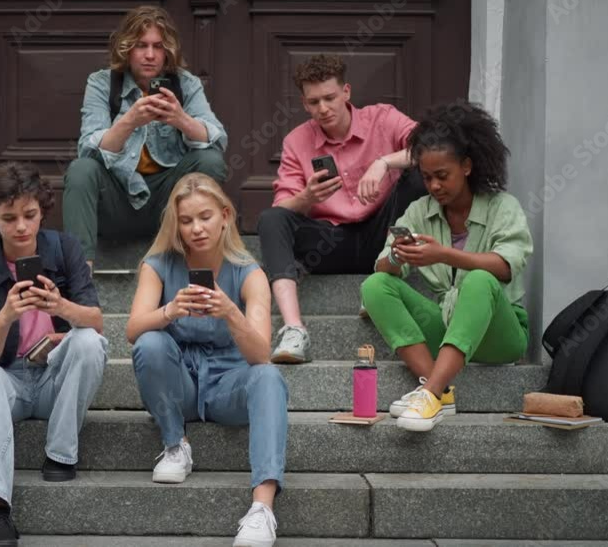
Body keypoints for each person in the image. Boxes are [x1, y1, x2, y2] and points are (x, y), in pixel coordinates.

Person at [127, 173, 288, 547]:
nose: (196, 228)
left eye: (205, 217)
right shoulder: (158, 264)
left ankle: (262, 508)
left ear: (225, 216)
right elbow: (133, 329)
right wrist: (170, 310)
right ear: (176, 225)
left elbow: (261, 355)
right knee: (150, 342)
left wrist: (231, 312)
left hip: (229, 385)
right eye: (186, 221)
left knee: (268, 378)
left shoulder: (249, 273)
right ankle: (175, 444)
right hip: (178, 382)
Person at [0, 162, 108, 546]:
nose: (22, 227)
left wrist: (61, 308)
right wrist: (6, 315)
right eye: (9, 218)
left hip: (55, 377)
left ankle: (60, 454)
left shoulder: (66, 248)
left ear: (42, 211)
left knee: (88, 342)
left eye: (30, 215)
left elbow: (96, 321)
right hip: (10, 380)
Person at [361, 101, 533, 432]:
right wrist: (398, 255)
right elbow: (384, 269)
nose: (434, 186)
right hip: (447, 327)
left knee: (481, 279)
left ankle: (429, 391)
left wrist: (444, 255)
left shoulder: (502, 207)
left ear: (467, 166)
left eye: (442, 176)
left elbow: (505, 266)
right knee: (374, 286)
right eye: (426, 178)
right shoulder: (418, 211)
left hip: (500, 335)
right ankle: (440, 392)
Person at [257, 54, 426, 364]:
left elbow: (431, 147)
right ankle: (294, 329)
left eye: (330, 98)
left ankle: (383, 279)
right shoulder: (297, 141)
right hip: (330, 242)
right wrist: (307, 197)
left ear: (346, 92)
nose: (323, 108)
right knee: (271, 220)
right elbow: (282, 206)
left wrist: (383, 162)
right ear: (304, 104)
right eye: (314, 102)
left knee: (418, 176)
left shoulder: (382, 118)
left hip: (384, 235)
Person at [65, 5, 228, 269]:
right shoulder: (101, 83)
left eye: (158, 46)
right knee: (81, 170)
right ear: (126, 48)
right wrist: (129, 121)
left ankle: (201, 265)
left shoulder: (186, 84)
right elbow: (88, 149)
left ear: (168, 51)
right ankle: (80, 272)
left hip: (170, 207)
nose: (150, 55)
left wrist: (180, 119)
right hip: (117, 203)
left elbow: (218, 140)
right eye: (141, 46)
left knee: (210, 161)